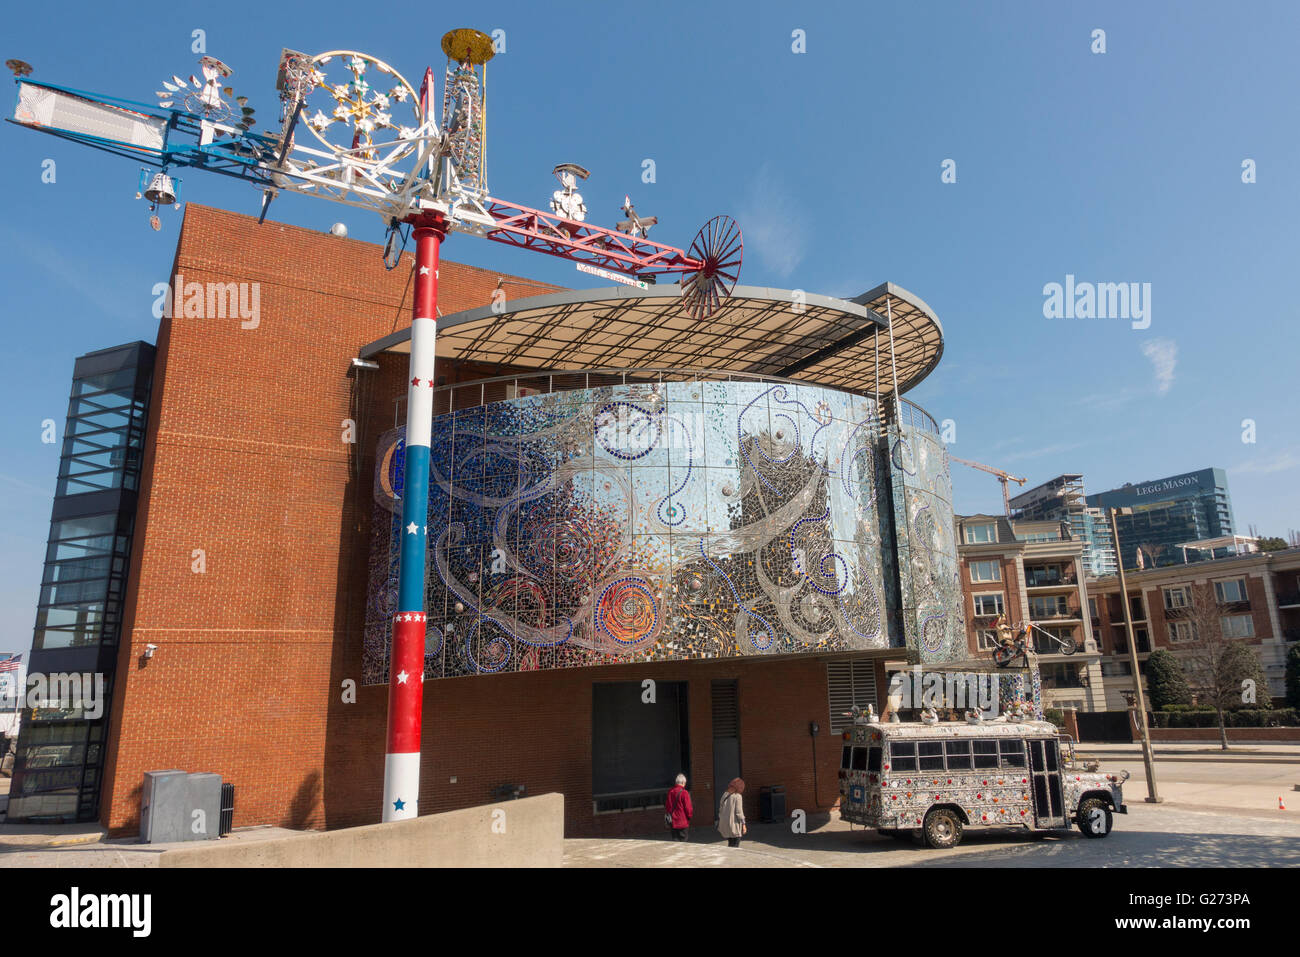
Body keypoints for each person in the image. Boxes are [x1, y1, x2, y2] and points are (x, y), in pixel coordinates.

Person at [717, 777, 747, 847]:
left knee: (730, 845)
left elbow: (720, 809)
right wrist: (744, 824)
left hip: (726, 826)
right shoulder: (738, 796)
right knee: (735, 846)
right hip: (734, 826)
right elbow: (739, 813)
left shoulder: (725, 794)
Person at [665, 773, 693, 841]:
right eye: (685, 783)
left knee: (675, 843)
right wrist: (689, 817)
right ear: (683, 782)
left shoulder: (670, 792)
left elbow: (667, 806)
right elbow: (688, 809)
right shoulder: (684, 793)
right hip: (682, 823)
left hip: (673, 823)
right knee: (683, 843)